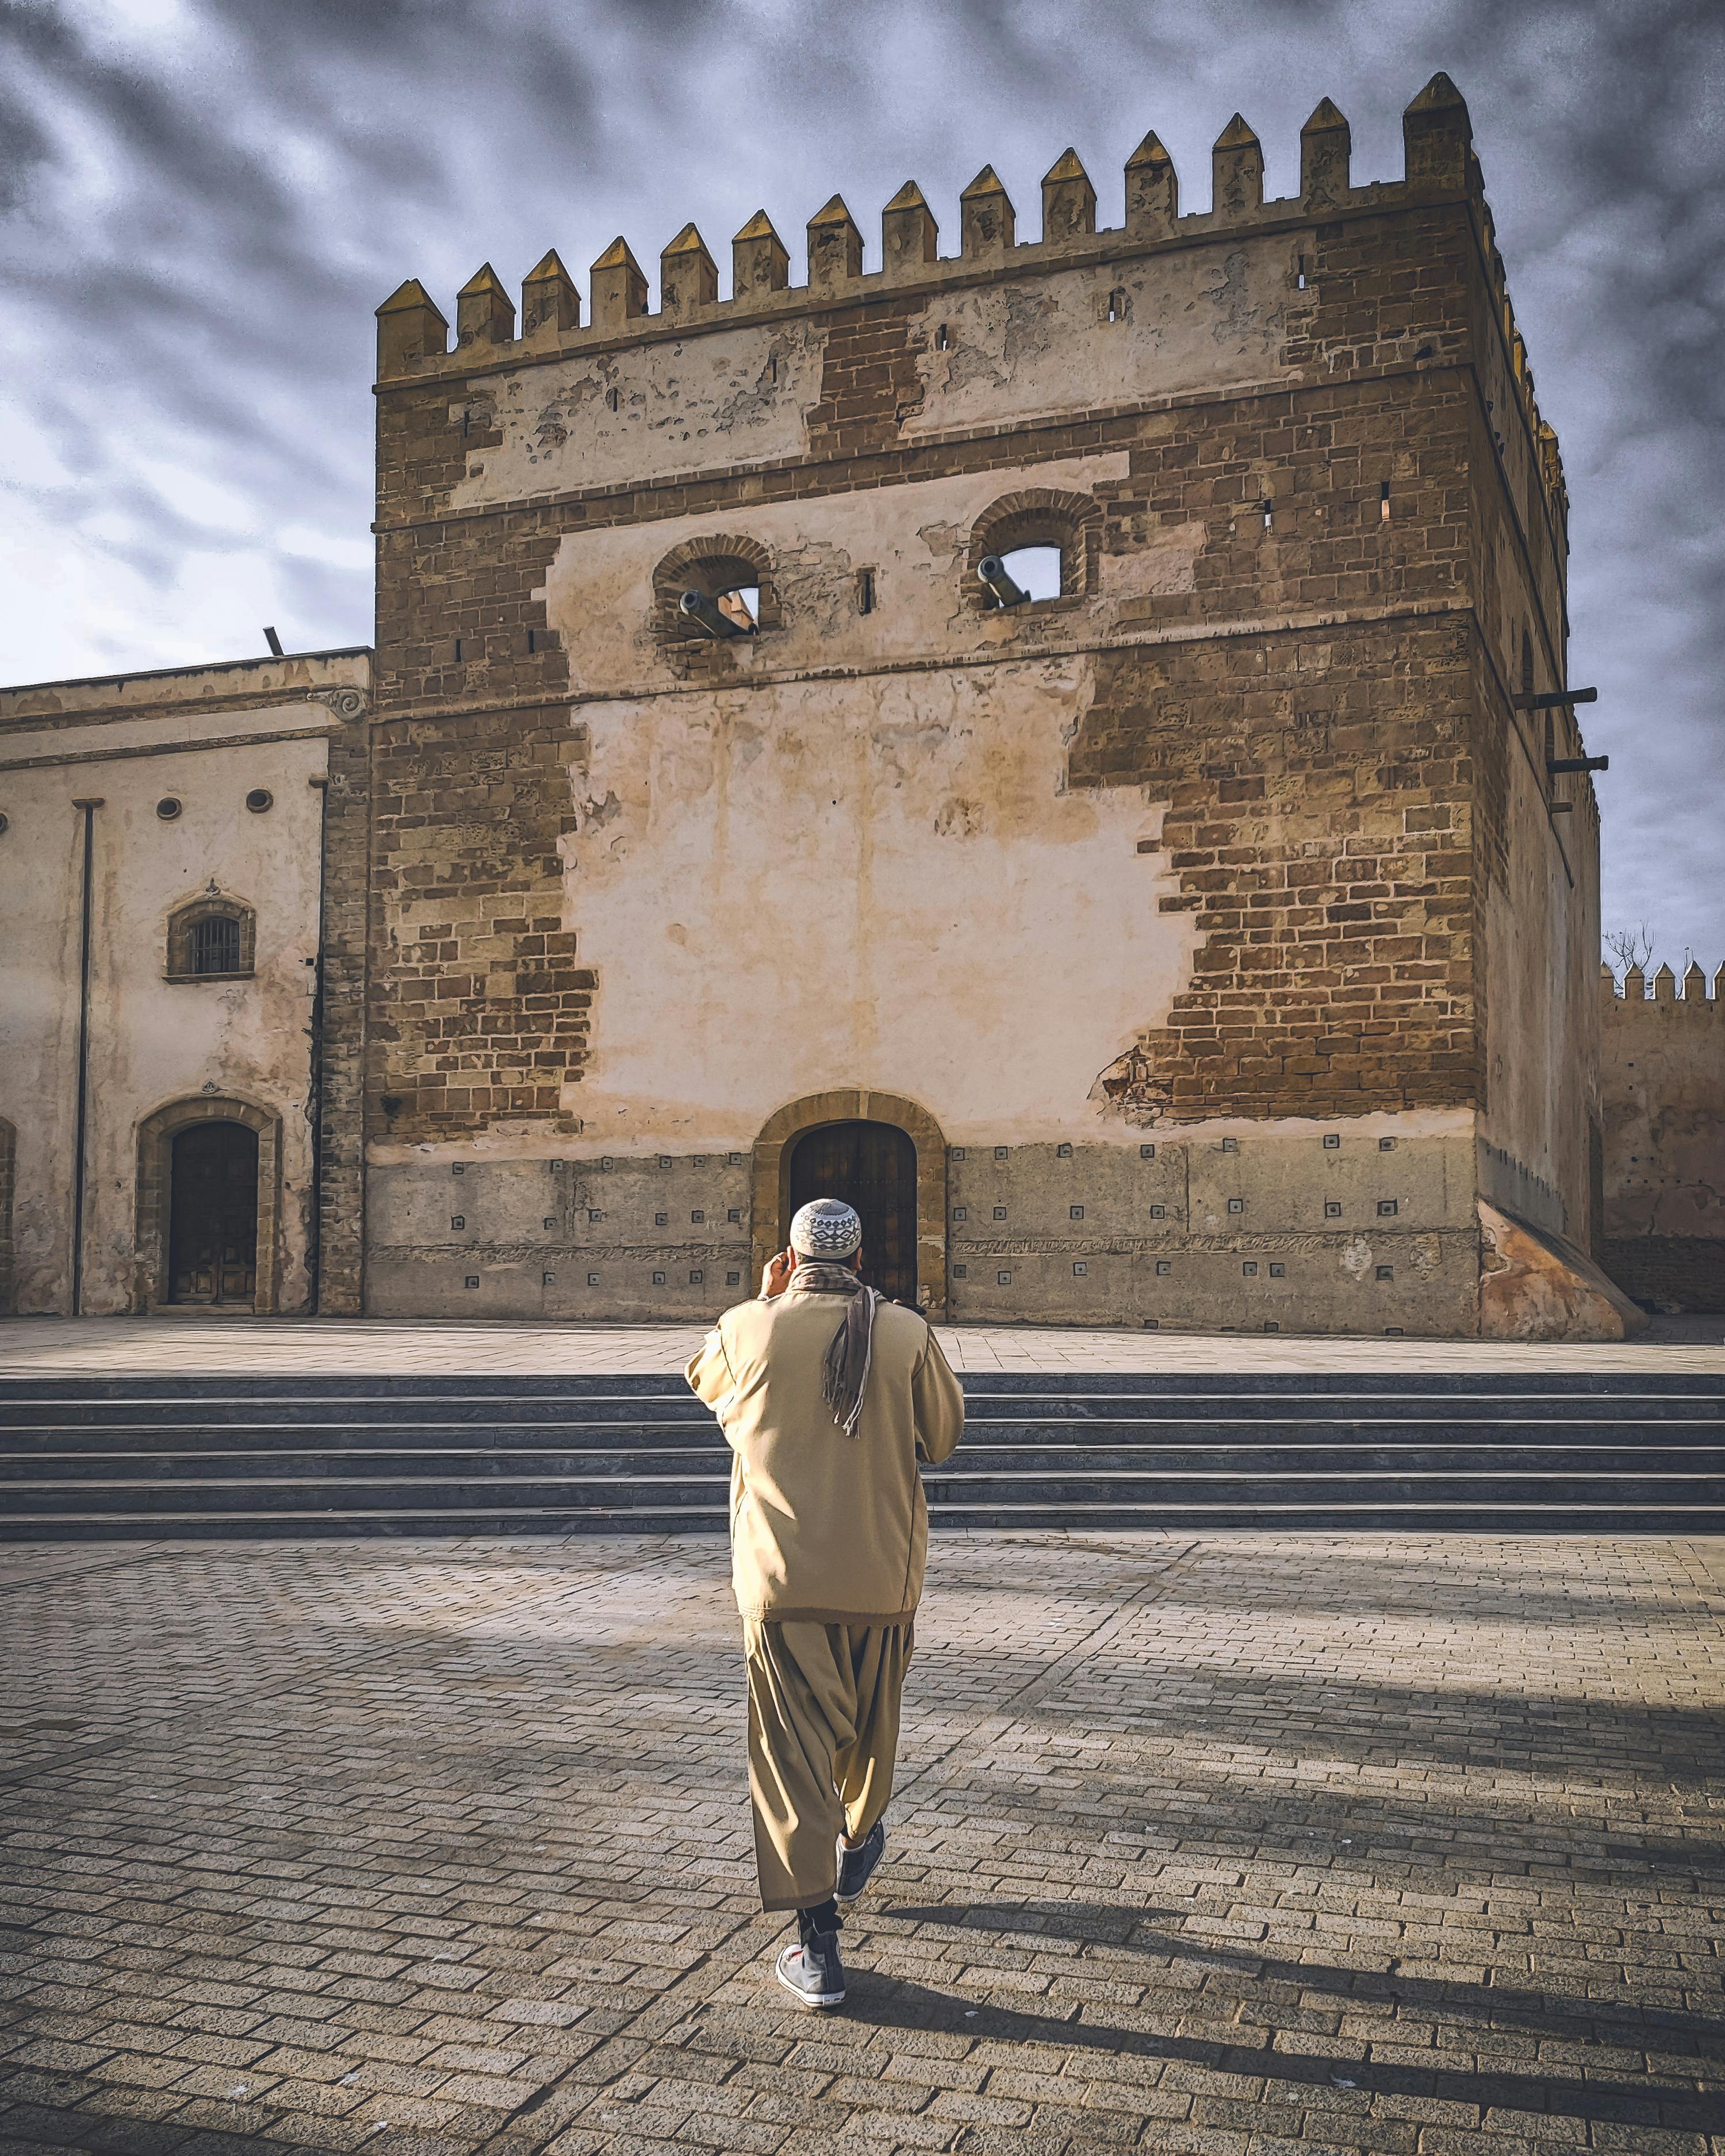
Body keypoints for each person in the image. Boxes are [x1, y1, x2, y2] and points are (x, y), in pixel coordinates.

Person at [685, 1196, 965, 2009]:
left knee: (790, 1756)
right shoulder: (906, 1332)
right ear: (862, 1259)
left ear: (792, 1255)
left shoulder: (749, 1326)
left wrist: (765, 1298)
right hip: (881, 1575)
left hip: (783, 1582)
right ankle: (859, 1832)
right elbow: (943, 1436)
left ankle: (818, 1944)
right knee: (871, 1735)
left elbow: (706, 1381)